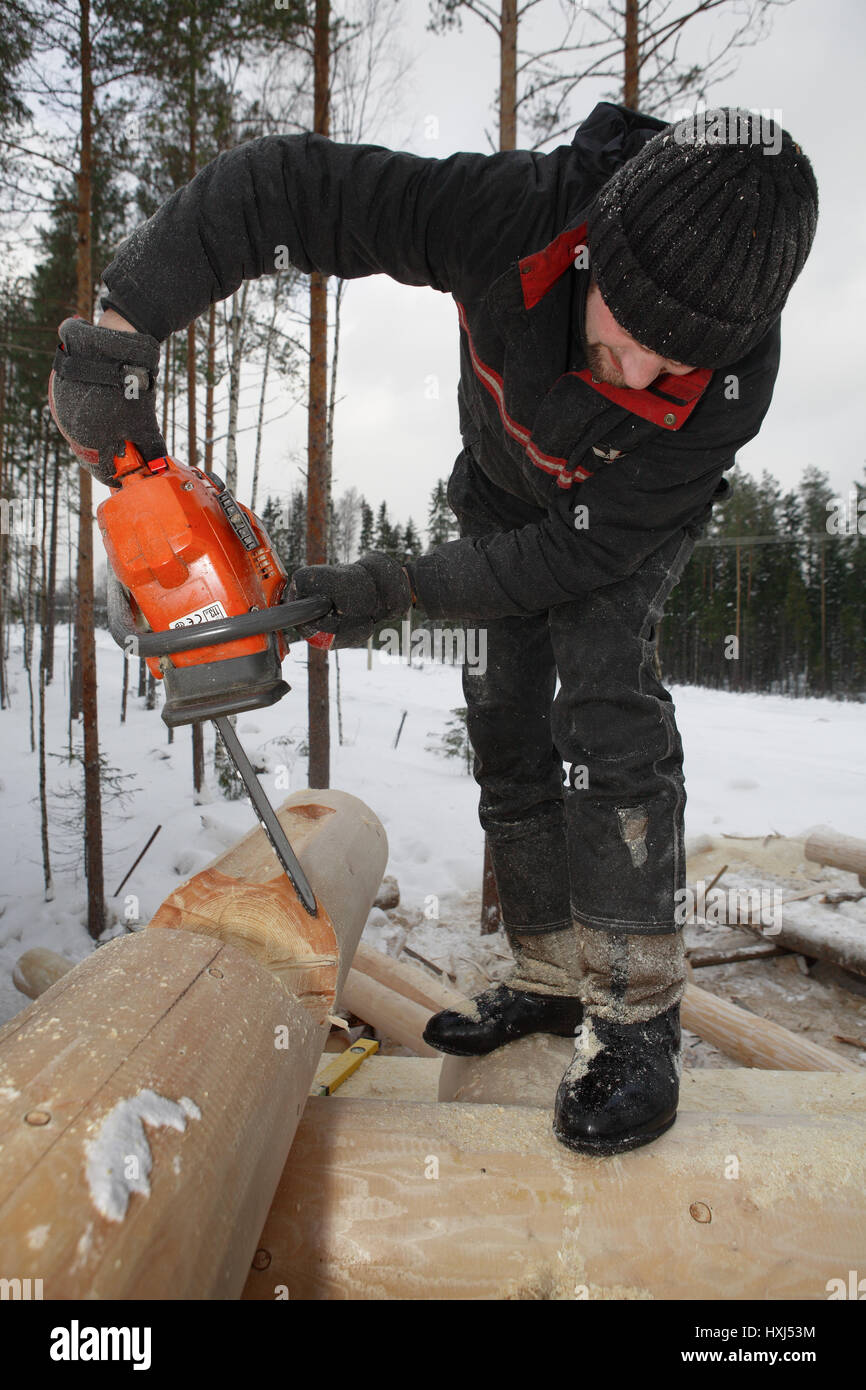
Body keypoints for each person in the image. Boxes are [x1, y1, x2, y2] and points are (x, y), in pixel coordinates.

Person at [48, 102, 818, 1155]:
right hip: (501, 488)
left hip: (611, 533)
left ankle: (636, 1018)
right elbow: (284, 189)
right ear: (594, 248)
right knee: (502, 703)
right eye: (624, 332)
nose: (635, 374)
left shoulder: (738, 378)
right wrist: (120, 332)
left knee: (602, 693)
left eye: (670, 364)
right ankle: (548, 973)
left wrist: (395, 584)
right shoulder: (503, 215)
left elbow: (577, 560)